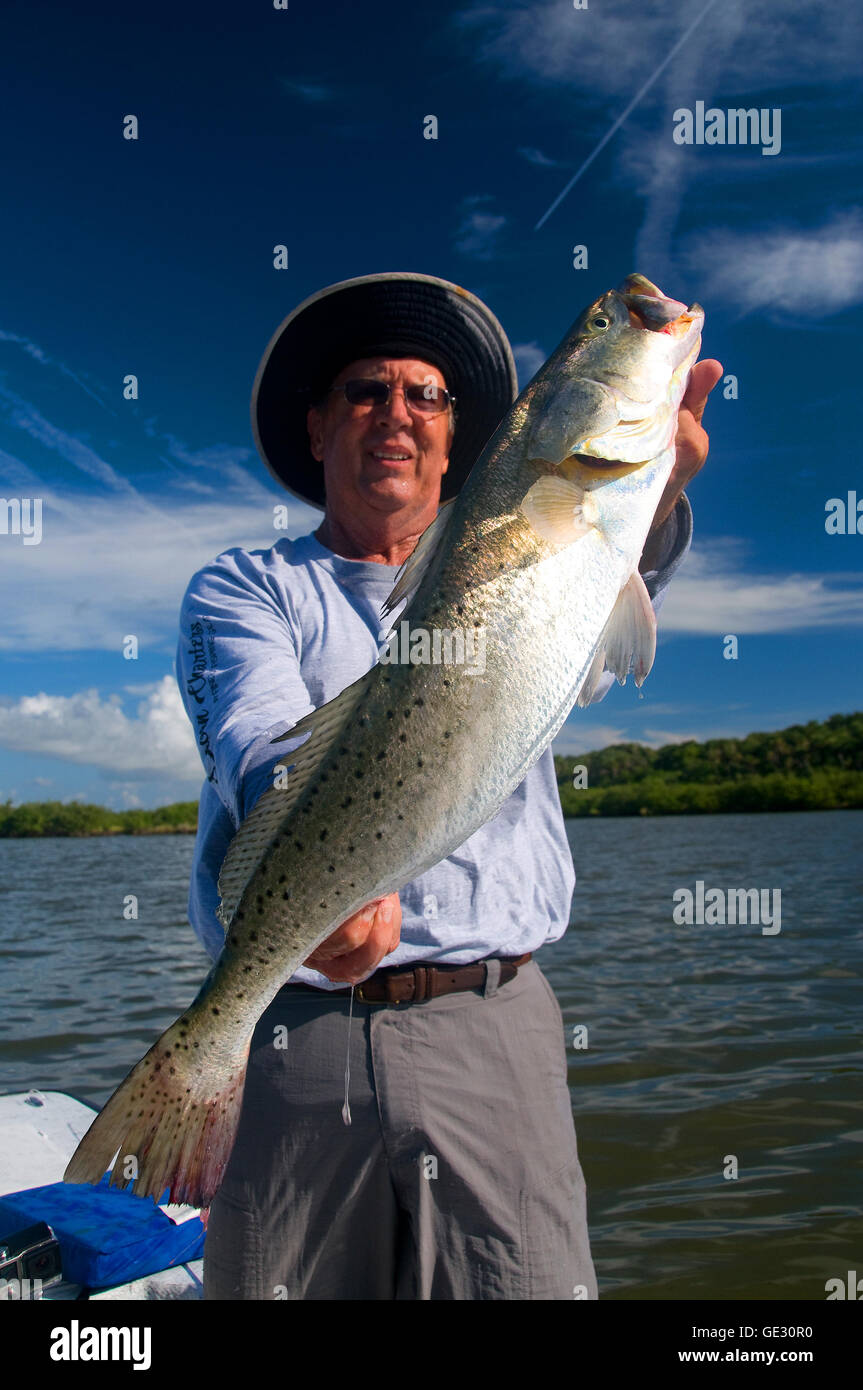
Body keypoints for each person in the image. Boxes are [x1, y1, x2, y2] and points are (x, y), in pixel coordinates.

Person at [176, 272, 721, 1300]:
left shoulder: (548, 547)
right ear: (315, 423)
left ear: (460, 432)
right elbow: (251, 742)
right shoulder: (246, 585)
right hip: (289, 1034)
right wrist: (317, 901)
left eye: (425, 394)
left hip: (491, 1026)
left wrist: (659, 489)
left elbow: (604, 618)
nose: (397, 412)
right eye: (365, 390)